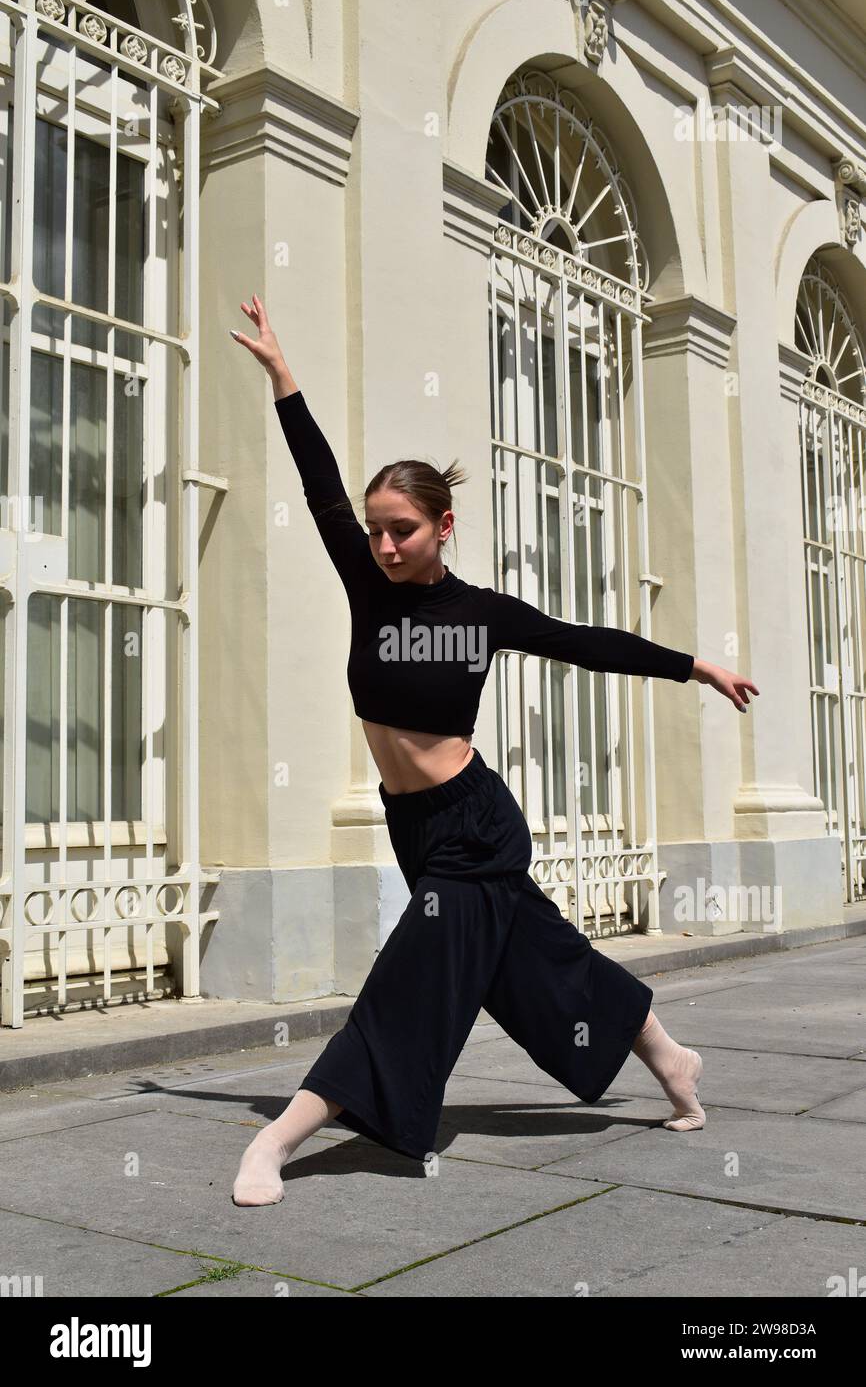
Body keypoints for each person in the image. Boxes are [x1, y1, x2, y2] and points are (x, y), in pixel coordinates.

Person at [228, 293, 760, 1206]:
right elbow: (318, 485)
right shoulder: (368, 583)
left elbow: (590, 641)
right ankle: (673, 1061)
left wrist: (695, 665)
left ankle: (282, 1138)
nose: (386, 544)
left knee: (413, 976)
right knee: (537, 961)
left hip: (475, 826)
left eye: (404, 528)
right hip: (414, 823)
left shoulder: (483, 614)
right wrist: (286, 380)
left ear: (444, 528)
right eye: (377, 529)